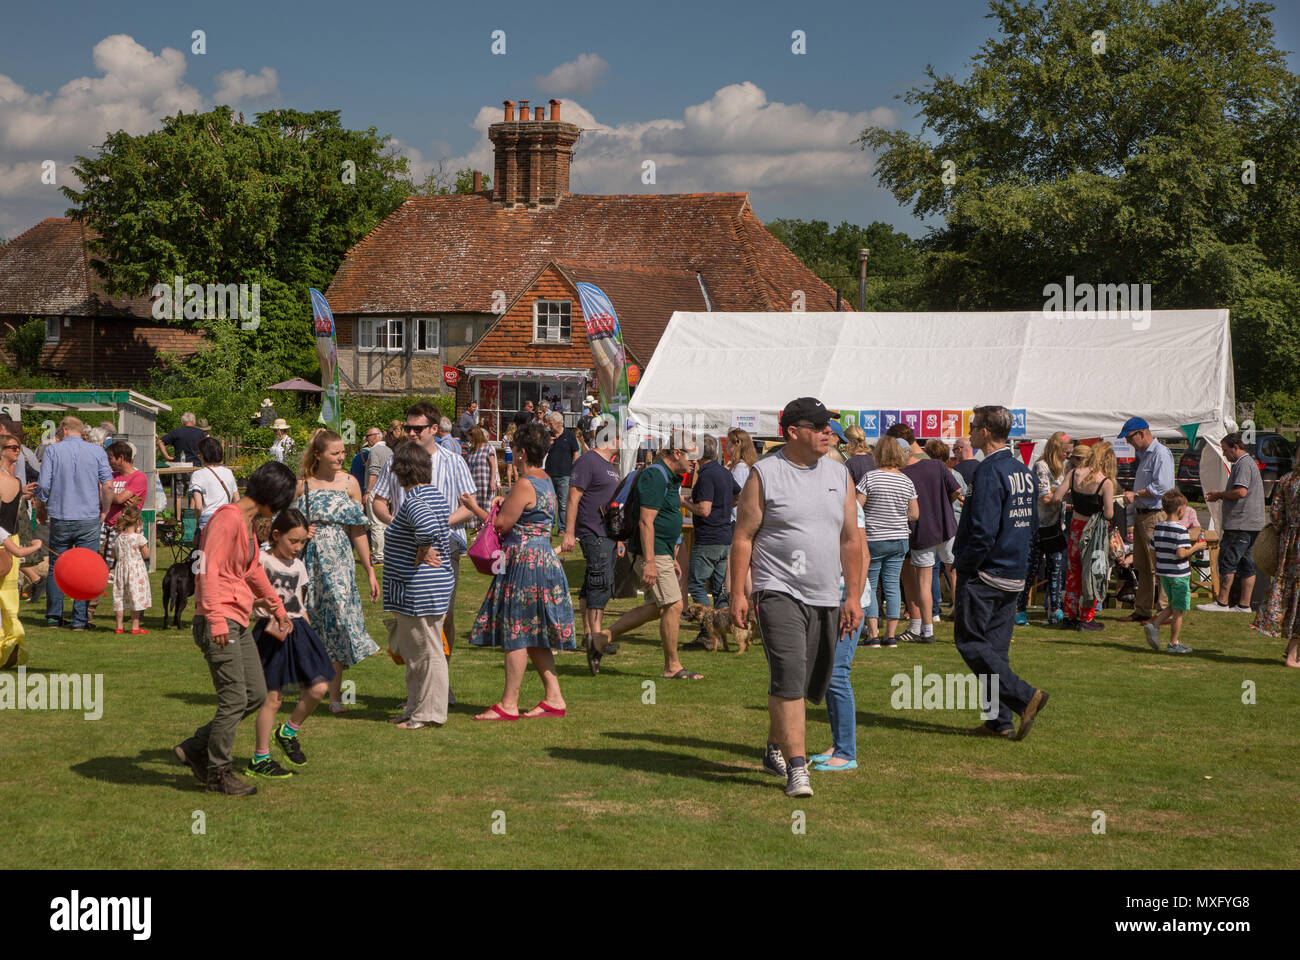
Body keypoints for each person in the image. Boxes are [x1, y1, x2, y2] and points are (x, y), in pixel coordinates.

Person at [729, 397, 863, 797]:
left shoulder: (839, 475)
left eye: (830, 427)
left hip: (825, 593)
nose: (829, 433)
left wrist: (853, 596)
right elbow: (743, 538)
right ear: (792, 432)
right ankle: (798, 767)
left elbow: (852, 539)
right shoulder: (764, 474)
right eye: (819, 426)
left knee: (805, 683)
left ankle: (775, 746)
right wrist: (738, 591)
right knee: (789, 674)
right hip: (778, 589)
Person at [173, 461, 296, 796]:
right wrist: (213, 618)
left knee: (255, 694)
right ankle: (218, 772)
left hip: (238, 617)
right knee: (233, 699)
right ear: (274, 498)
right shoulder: (227, 519)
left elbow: (252, 569)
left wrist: (277, 607)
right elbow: (207, 571)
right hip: (219, 617)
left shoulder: (246, 522)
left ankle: (195, 747)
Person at [470, 420, 576, 719]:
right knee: (535, 632)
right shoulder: (547, 480)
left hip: (524, 560)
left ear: (522, 452)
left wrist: (495, 508)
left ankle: (508, 704)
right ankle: (554, 698)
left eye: (514, 448)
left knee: (516, 629)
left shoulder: (525, 483)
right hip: (544, 558)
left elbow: (503, 524)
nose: (511, 452)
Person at [953, 405, 1047, 740]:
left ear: (986, 431)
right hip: (1012, 569)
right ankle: (998, 721)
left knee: (970, 642)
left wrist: (963, 565)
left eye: (973, 426)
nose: (970, 432)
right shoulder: (1021, 469)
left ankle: (1025, 697)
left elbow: (983, 531)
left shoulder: (989, 471)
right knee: (994, 650)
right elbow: (1031, 524)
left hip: (987, 571)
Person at [589, 440, 700, 680]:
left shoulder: (669, 477)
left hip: (661, 552)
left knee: (656, 609)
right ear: (677, 452)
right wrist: (650, 561)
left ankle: (601, 639)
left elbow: (662, 520)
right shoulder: (655, 476)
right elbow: (645, 522)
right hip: (651, 552)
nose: (695, 461)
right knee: (674, 605)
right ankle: (672, 667)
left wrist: (670, 557)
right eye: (692, 455)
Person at [373, 402, 477, 656]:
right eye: (408, 427)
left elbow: (469, 506)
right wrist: (400, 525)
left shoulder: (453, 462)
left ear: (433, 428)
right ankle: (417, 688)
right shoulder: (395, 462)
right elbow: (378, 502)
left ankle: (442, 683)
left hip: (444, 547)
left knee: (443, 615)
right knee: (408, 618)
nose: (411, 433)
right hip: (404, 550)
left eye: (417, 428)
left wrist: (436, 525)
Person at [385, 443, 473, 728]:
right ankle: (414, 708)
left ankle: (429, 713)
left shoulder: (414, 500)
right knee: (417, 654)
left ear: (401, 471)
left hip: (420, 589)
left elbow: (426, 528)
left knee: (426, 653)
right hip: (429, 586)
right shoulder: (433, 494)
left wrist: (421, 550)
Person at [292, 429, 380, 714]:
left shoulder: (350, 483)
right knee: (310, 624)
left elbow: (358, 530)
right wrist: (302, 531)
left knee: (339, 624)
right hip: (309, 564)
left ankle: (335, 696)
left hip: (341, 562)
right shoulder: (302, 485)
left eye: (343, 452)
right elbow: (282, 528)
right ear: (318, 455)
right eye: (335, 453)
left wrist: (369, 570)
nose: (342, 457)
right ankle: (308, 689)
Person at [245, 507, 334, 776]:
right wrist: (258, 605)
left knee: (319, 687)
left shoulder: (299, 566)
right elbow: (246, 597)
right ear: (276, 535)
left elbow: (299, 602)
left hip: (297, 630)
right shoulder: (262, 561)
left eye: (302, 542)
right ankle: (260, 759)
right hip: (270, 632)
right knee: (273, 697)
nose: (297, 547)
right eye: (292, 541)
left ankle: (288, 731)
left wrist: (307, 630)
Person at [809, 447, 870, 772]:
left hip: (847, 599)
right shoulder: (832, 504)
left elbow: (862, 554)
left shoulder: (849, 508)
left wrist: (853, 598)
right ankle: (838, 744)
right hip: (831, 597)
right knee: (827, 673)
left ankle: (846, 752)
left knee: (836, 675)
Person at [36, 416, 112, 630]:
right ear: (82, 432)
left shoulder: (53, 450)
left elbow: (43, 484)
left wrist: (41, 507)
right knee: (86, 568)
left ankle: (53, 616)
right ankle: (80, 619)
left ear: (64, 430)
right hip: (88, 516)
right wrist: (105, 510)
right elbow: (107, 485)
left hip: (61, 515)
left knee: (56, 566)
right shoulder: (97, 452)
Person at [560, 425, 621, 651]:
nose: (621, 441)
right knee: (599, 583)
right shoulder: (588, 461)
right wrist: (569, 532)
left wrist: (620, 538)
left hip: (608, 534)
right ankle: (597, 638)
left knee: (591, 583)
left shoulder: (609, 466)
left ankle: (588, 636)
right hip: (593, 532)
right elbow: (573, 498)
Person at [1045, 441, 1115, 630]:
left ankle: (1069, 615)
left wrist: (1071, 496)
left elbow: (1057, 497)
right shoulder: (1105, 482)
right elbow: (1109, 514)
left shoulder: (1074, 474)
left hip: (1076, 526)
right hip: (1094, 532)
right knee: (1093, 572)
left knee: (1073, 572)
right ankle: (1086, 618)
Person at [857, 436, 918, 646]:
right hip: (899, 537)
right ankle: (890, 635)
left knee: (871, 586)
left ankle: (873, 634)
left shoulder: (870, 478)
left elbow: (857, 507)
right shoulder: (906, 481)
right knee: (892, 585)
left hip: (874, 538)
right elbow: (914, 514)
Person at [901, 431, 961, 642]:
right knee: (955, 576)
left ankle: (928, 631)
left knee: (924, 583)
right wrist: (944, 504)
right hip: (947, 527)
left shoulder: (902, 474)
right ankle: (964, 628)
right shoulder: (937, 465)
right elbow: (956, 490)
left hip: (922, 532)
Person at [1200, 431, 1267, 612]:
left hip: (1240, 523)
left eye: (1225, 450)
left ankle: (1222, 602)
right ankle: (1244, 605)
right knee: (1247, 564)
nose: (1224, 454)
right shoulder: (1248, 463)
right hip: (1251, 524)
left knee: (1228, 561)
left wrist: (1219, 495)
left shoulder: (1243, 464)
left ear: (1235, 447)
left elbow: (1241, 492)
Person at [1120, 417, 1175, 622]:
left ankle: (1163, 612)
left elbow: (1163, 486)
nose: (1128, 443)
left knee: (1158, 564)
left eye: (1129, 438)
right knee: (1142, 566)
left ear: (1141, 433)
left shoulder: (1160, 453)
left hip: (1155, 515)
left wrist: (1137, 495)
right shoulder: (1145, 455)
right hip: (1143, 515)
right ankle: (1142, 610)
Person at [1251, 445, 1300, 666]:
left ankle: (1292, 649)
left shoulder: (1287, 480)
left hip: (1288, 545)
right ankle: (1292, 655)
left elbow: (1276, 516)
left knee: (1290, 592)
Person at [1017, 431, 1070, 626]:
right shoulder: (1042, 466)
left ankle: (1055, 609)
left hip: (1056, 526)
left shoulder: (1064, 468)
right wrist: (1065, 493)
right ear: (1057, 450)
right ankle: (1020, 610)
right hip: (1038, 526)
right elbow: (1045, 496)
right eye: (1065, 452)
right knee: (1031, 570)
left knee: (1056, 568)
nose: (1068, 456)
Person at [1145, 490, 1207, 654]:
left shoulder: (1158, 527)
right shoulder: (1181, 530)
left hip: (1164, 572)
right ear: (1180, 509)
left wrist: (1157, 567)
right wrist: (1196, 547)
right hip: (1179, 575)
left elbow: (1152, 549)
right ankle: (1173, 643)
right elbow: (1181, 553)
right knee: (1178, 610)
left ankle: (1155, 624)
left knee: (1174, 605)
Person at [684, 436, 739, 610]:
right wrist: (725, 505)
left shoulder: (706, 475)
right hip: (724, 537)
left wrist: (684, 502)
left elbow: (704, 510)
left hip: (708, 538)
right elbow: (739, 494)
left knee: (696, 584)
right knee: (719, 589)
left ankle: (708, 629)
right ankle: (720, 629)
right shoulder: (724, 472)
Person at [0, 443, 42, 668]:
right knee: (8, 599)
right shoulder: (11, 482)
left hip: (7, 541)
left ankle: (11, 645)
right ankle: (11, 644)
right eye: (13, 447)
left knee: (9, 598)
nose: (18, 451)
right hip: (8, 542)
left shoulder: (14, 481)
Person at [110, 506, 151, 635]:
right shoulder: (138, 538)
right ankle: (135, 625)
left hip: (121, 570)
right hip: (135, 570)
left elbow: (113, 555)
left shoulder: (118, 537)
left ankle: (119, 626)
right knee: (136, 596)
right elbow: (147, 554)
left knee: (120, 597)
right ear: (138, 521)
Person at [365, 422, 399, 564]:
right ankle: (388, 552)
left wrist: (368, 491)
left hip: (376, 490)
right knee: (385, 523)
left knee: (376, 524)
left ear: (375, 437)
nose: (366, 439)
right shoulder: (390, 450)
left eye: (368, 436)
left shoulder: (374, 451)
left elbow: (374, 472)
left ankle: (379, 556)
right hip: (390, 490)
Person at [189, 437, 238, 534]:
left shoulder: (198, 475)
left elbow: (198, 506)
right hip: (228, 518)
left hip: (208, 520)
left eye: (199, 453)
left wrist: (198, 523)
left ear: (204, 454)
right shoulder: (228, 472)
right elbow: (236, 499)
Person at [544, 411, 580, 535]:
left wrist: (575, 467)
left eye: (551, 423)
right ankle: (549, 526)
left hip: (565, 473)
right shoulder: (548, 435)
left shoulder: (569, 435)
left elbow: (576, 451)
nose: (549, 425)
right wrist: (548, 444)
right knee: (549, 502)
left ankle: (562, 528)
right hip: (549, 473)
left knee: (563, 503)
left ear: (558, 423)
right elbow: (542, 452)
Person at [467, 427, 499, 518]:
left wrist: (493, 481)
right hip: (474, 483)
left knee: (486, 507)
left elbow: (493, 466)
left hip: (486, 483)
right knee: (475, 507)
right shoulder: (472, 450)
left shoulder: (488, 448)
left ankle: (487, 528)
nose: (468, 440)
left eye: (470, 437)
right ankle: (478, 530)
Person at [350, 427, 379, 492]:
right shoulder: (378, 455)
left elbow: (352, 476)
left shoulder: (357, 457)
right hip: (374, 492)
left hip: (359, 491)